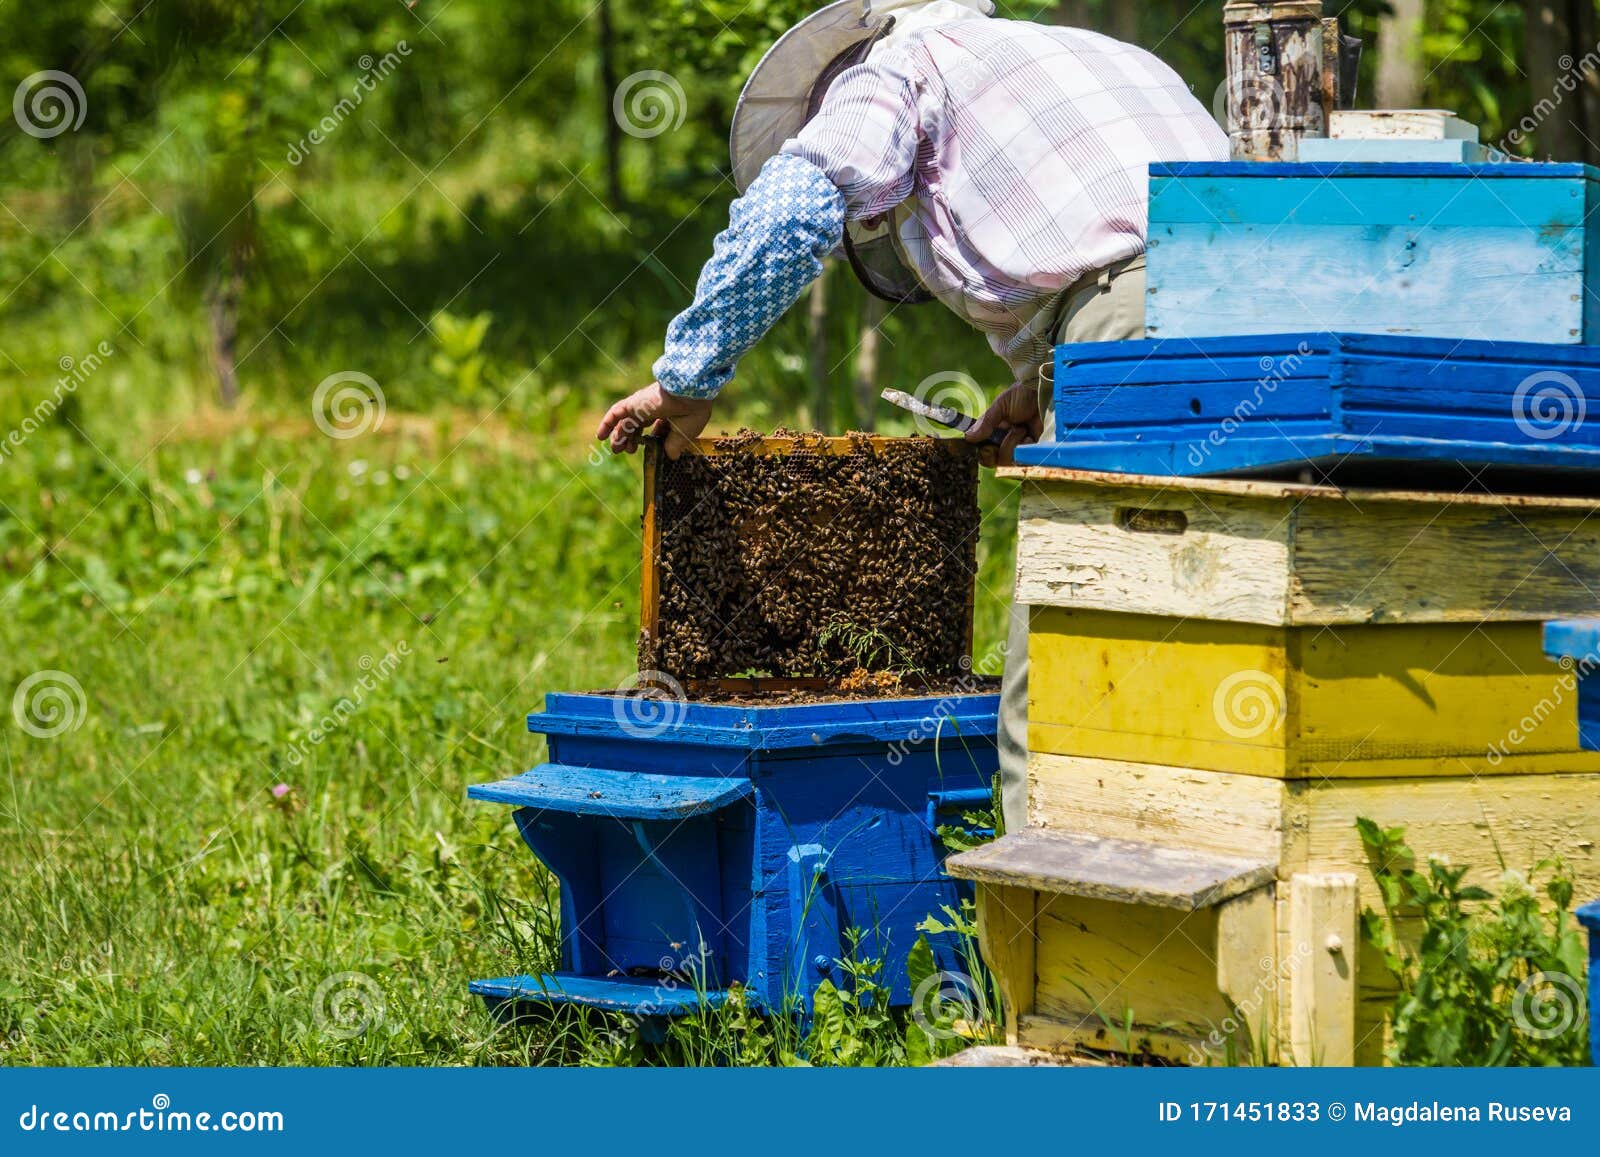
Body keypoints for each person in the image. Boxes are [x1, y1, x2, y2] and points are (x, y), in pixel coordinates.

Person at [597, 0, 1227, 832]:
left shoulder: (894, 67)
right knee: (1221, 624)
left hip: (1129, 334)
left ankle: (1044, 939)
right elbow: (1133, 240)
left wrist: (689, 376)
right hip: (1265, 317)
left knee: (1068, 671)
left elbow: (787, 212)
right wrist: (1047, 387)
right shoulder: (1097, 54)